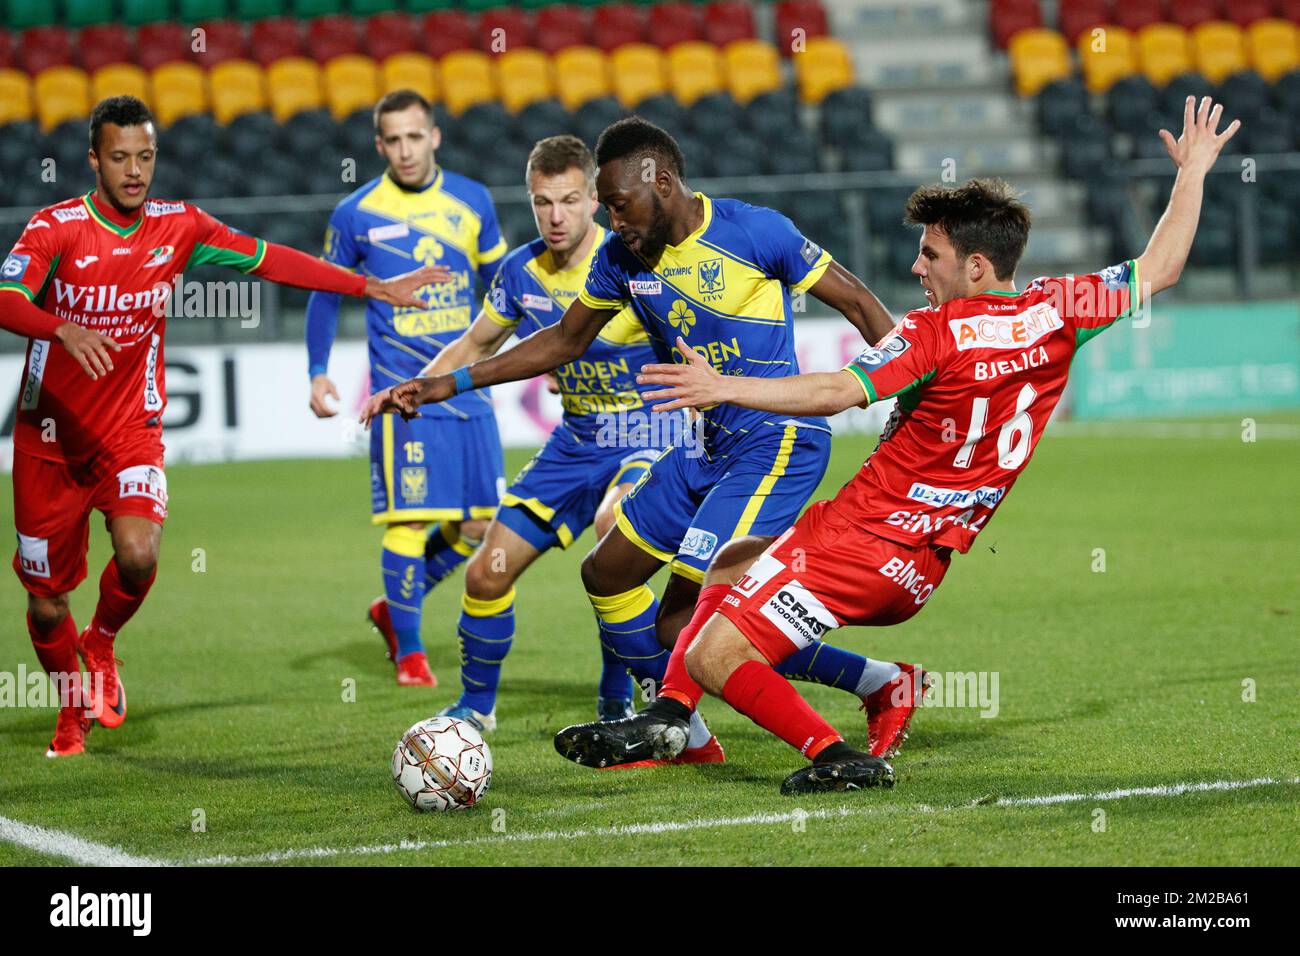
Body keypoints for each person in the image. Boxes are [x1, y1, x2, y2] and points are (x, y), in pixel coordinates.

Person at [584, 96, 1240, 793]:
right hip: (922, 567)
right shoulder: (1060, 309)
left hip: (858, 541)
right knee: (730, 565)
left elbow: (836, 391)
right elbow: (1160, 267)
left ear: (978, 267)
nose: (918, 269)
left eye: (932, 254)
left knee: (716, 655)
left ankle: (831, 754)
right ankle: (694, 710)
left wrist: (723, 386)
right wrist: (1194, 170)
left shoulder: (933, 334)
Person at [365, 117, 920, 765]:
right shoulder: (621, 258)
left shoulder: (753, 231)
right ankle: (844, 692)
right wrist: (447, 384)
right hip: (704, 447)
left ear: (661, 180)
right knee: (608, 574)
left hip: (776, 441)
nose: (612, 219)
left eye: (618, 204)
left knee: (695, 612)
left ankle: (685, 722)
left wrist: (904, 401)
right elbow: (563, 343)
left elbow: (857, 302)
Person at [0, 95, 443, 757]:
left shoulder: (178, 227)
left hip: (130, 430)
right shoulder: (54, 228)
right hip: (49, 441)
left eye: (145, 156)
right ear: (94, 159)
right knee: (44, 604)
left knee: (140, 553)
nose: (134, 170)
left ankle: (102, 643)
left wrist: (370, 288)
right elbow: (6, 300)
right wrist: (60, 327)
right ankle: (70, 711)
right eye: (118, 156)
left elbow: (269, 259)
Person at [414, 134, 679, 734]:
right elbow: (479, 343)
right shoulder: (520, 272)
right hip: (577, 440)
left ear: (594, 200)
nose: (555, 216)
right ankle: (475, 710)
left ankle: (621, 697)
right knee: (487, 571)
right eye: (541, 203)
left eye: (568, 200)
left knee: (615, 531)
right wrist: (415, 386)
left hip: (652, 432)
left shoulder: (634, 259)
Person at [306, 90, 508, 687]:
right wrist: (318, 371)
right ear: (379, 146)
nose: (405, 150)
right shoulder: (356, 212)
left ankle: (392, 608)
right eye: (392, 140)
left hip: (466, 387)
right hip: (401, 395)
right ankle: (412, 650)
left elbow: (501, 286)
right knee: (409, 520)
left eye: (414, 136)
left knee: (483, 526)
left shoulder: (473, 201)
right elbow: (324, 292)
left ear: (435, 136)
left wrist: (541, 354)